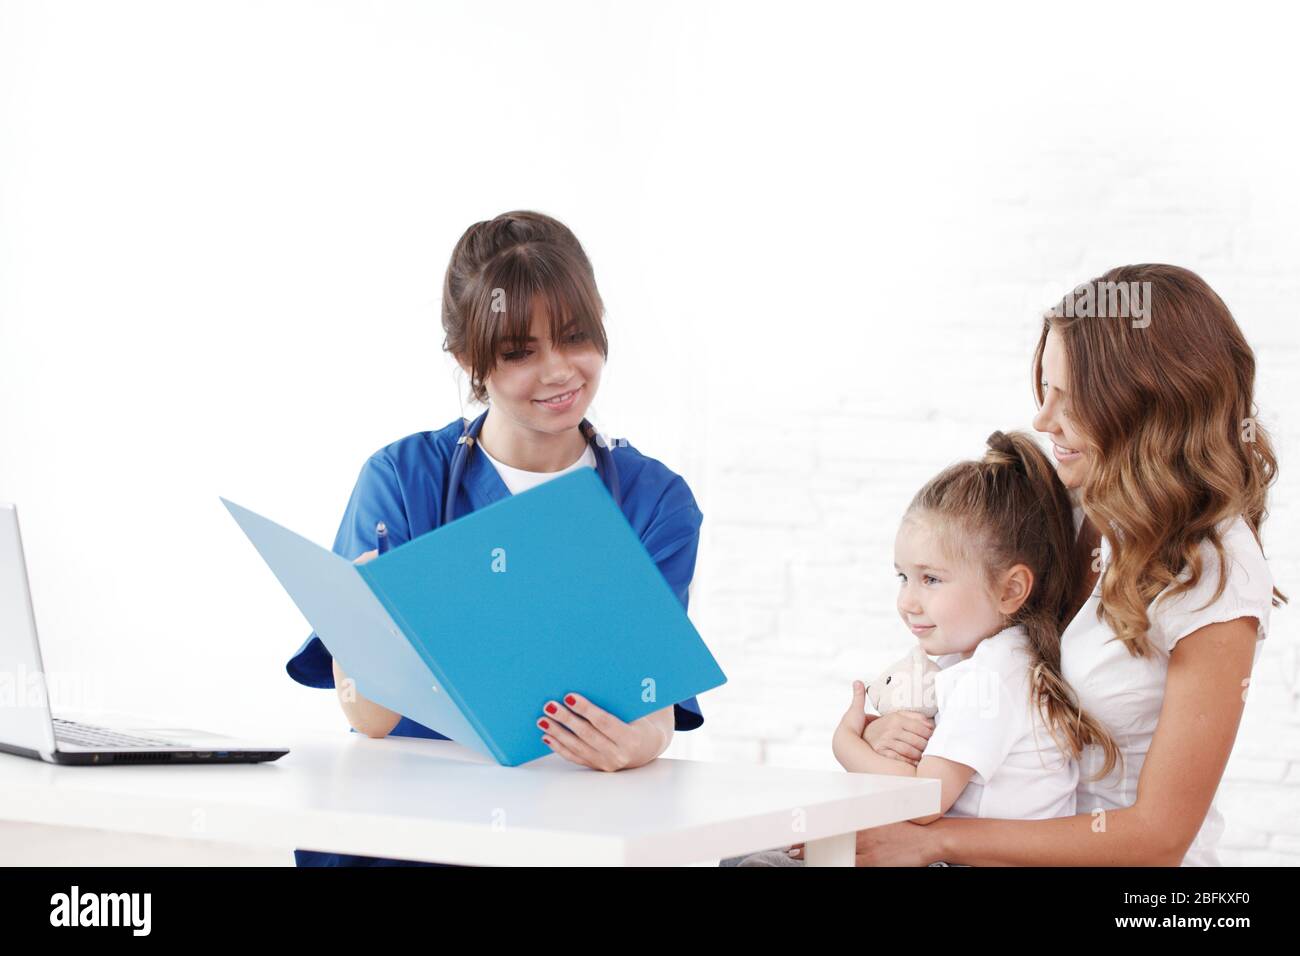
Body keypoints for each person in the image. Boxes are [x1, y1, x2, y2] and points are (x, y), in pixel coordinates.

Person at [285, 210, 707, 866]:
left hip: (572, 826)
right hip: (406, 834)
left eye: (575, 338)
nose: (559, 371)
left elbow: (655, 708)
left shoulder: (655, 502)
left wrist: (638, 744)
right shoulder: (401, 480)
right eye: (518, 352)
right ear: (468, 360)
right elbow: (368, 718)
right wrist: (358, 623)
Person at [827, 264, 1284, 866]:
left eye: (1072, 398)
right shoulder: (1067, 505)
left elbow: (1159, 835)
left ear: (1150, 405)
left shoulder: (1216, 575)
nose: (1044, 420)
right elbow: (973, 652)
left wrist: (932, 838)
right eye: (1045, 389)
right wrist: (897, 731)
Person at [725, 430, 1111, 867]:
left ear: (1011, 590)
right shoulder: (982, 659)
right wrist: (881, 733)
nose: (907, 602)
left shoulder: (991, 674)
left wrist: (847, 743)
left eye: (931, 579)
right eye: (903, 577)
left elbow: (925, 801)